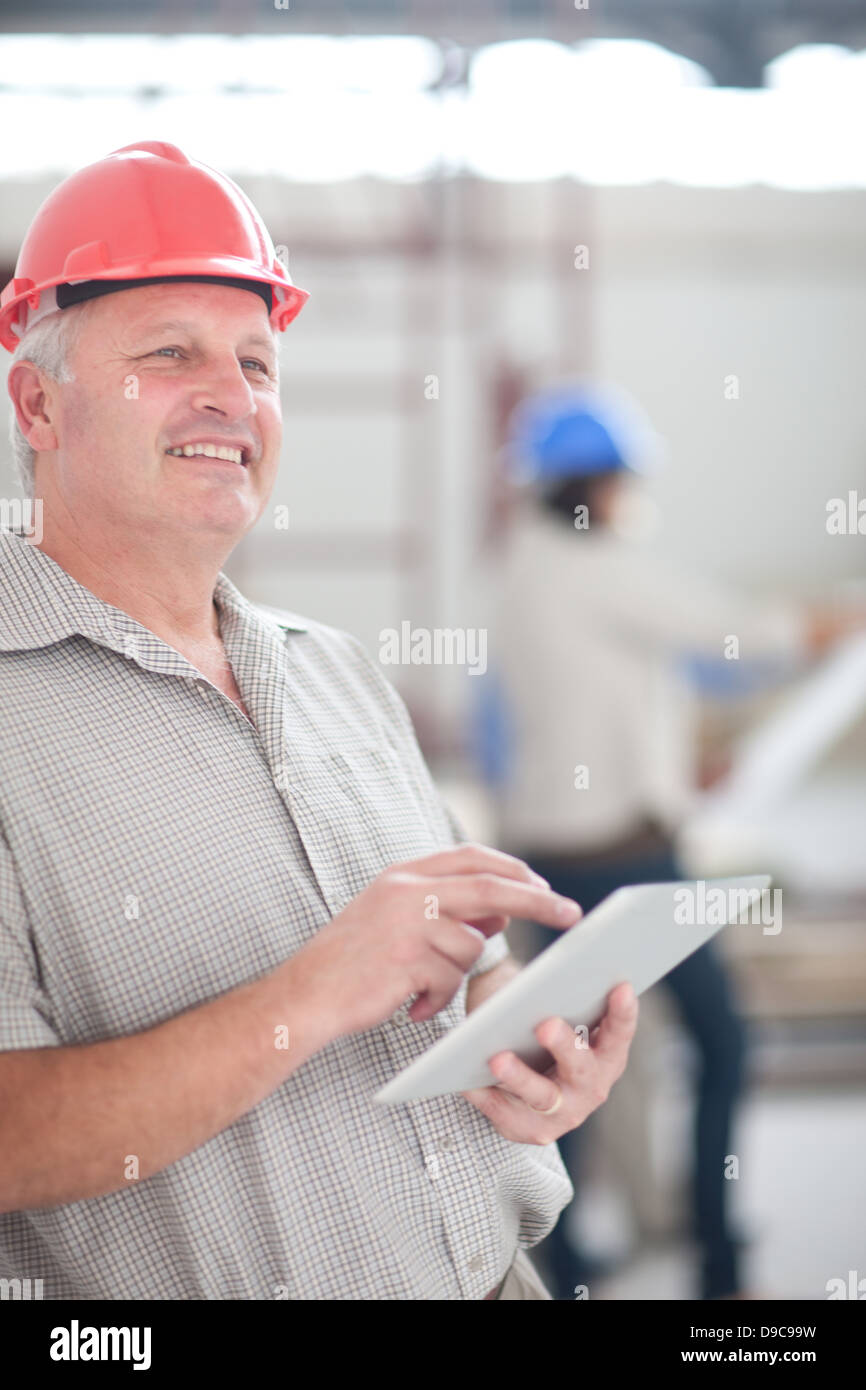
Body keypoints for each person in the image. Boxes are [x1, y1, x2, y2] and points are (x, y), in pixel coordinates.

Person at [0, 145, 639, 1301]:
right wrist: (314, 990)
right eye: (169, 354)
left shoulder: (335, 674)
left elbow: (475, 973)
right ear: (38, 401)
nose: (232, 395)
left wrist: (532, 1049)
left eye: (257, 360)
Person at [489, 380, 854, 1301]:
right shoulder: (595, 567)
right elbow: (745, 631)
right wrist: (842, 614)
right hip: (625, 859)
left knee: (563, 1054)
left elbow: (616, 692)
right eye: (621, 480)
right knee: (721, 1044)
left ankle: (564, 1267)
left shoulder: (526, 569)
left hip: (555, 848)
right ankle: (718, 1266)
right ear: (592, 485)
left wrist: (683, 774)